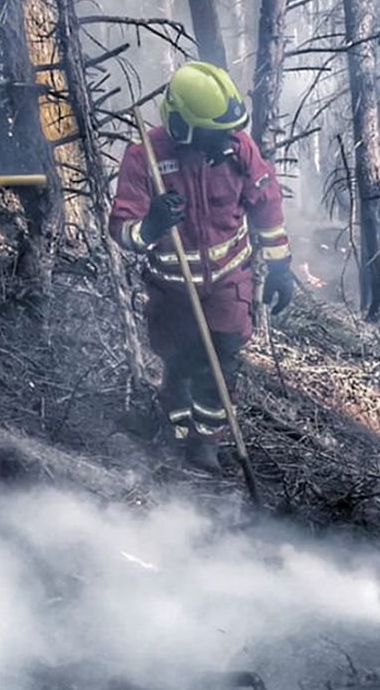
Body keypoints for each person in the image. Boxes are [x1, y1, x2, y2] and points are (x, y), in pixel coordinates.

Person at [109, 62, 297, 472]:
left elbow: (266, 207)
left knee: (222, 360)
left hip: (229, 284)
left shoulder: (239, 149)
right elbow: (123, 230)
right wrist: (152, 225)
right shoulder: (145, 158)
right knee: (180, 362)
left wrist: (281, 266)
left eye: (229, 132)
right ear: (182, 126)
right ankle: (177, 433)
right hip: (171, 292)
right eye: (215, 134)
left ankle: (207, 442)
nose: (225, 142)